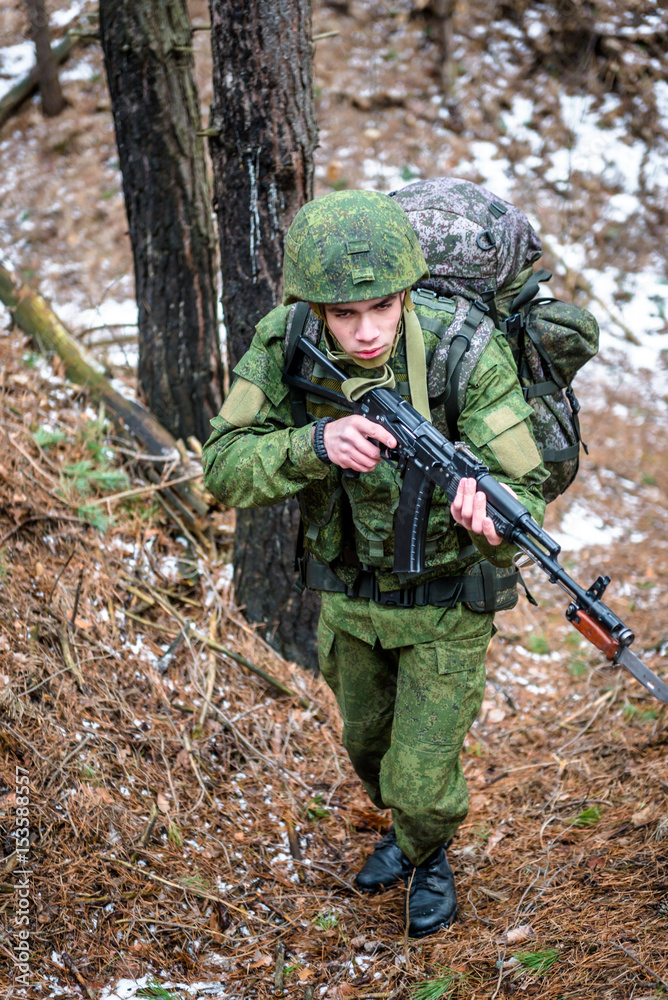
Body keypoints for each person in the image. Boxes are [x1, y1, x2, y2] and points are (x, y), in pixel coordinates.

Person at [202, 189, 547, 938]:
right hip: (348, 602)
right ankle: (405, 827)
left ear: (408, 293)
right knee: (369, 752)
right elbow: (221, 467)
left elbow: (527, 494)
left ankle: (427, 854)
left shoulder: (464, 350)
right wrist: (313, 445)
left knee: (419, 784)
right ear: (315, 307)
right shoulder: (284, 338)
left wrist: (489, 519)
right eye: (343, 315)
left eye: (383, 310)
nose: (365, 333)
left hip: (448, 605)